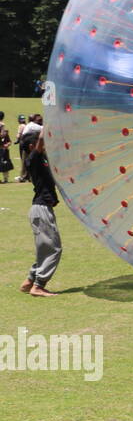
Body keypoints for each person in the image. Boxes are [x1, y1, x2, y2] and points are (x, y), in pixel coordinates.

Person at [20, 126, 62, 297]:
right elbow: (42, 141)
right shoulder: (34, 158)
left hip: (42, 209)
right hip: (41, 209)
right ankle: (38, 286)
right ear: (32, 146)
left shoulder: (42, 160)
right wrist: (49, 122)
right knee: (53, 248)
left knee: (46, 248)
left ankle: (29, 280)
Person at [16, 114, 42, 181]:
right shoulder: (32, 125)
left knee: (26, 160)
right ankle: (26, 176)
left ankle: (25, 176)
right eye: (39, 120)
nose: (41, 121)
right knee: (28, 160)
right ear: (34, 120)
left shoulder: (31, 125)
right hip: (27, 145)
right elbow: (43, 129)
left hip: (27, 144)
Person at [0, 111, 12, 183]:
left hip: (3, 150)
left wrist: (7, 144)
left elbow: (9, 141)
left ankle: (6, 179)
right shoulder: (4, 131)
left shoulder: (5, 132)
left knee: (5, 164)